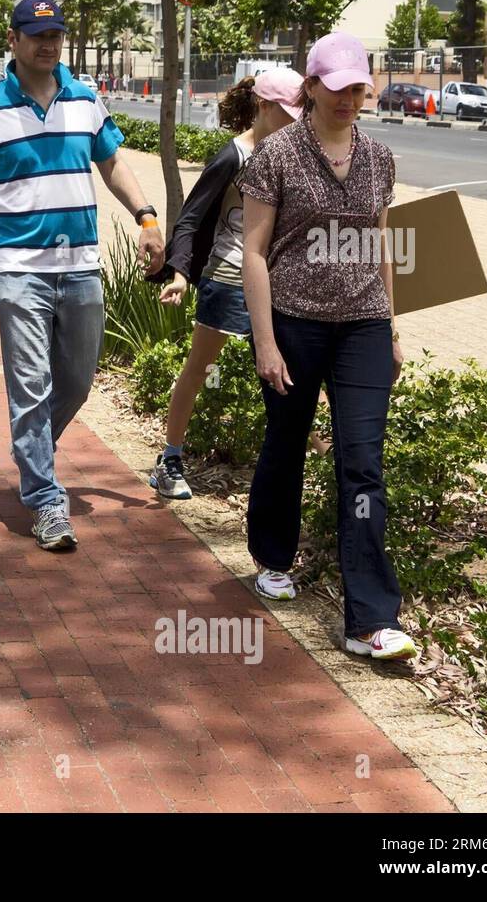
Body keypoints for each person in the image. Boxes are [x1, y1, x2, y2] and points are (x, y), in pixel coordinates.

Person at [0, 0, 165, 551]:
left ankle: (31, 448)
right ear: (13, 39)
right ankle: (46, 499)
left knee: (77, 379)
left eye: (55, 35)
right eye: (35, 34)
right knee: (31, 385)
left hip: (80, 267)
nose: (48, 43)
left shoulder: (86, 100)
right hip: (18, 269)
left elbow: (112, 161)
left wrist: (146, 217)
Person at [237, 32, 417, 660]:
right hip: (294, 323)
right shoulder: (276, 156)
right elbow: (254, 254)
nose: (348, 97)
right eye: (335, 86)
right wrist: (265, 341)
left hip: (363, 324)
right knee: (287, 442)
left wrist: (391, 327)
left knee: (362, 461)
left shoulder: (381, 157)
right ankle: (273, 556)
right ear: (310, 86)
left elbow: (382, 244)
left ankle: (370, 618)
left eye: (357, 86)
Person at [147, 69, 303, 502]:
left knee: (293, 373)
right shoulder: (233, 156)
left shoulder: (296, 154)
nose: (295, 121)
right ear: (264, 107)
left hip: (279, 284)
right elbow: (192, 217)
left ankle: (322, 460)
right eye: (287, 113)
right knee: (200, 368)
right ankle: (170, 459)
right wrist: (180, 274)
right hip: (229, 278)